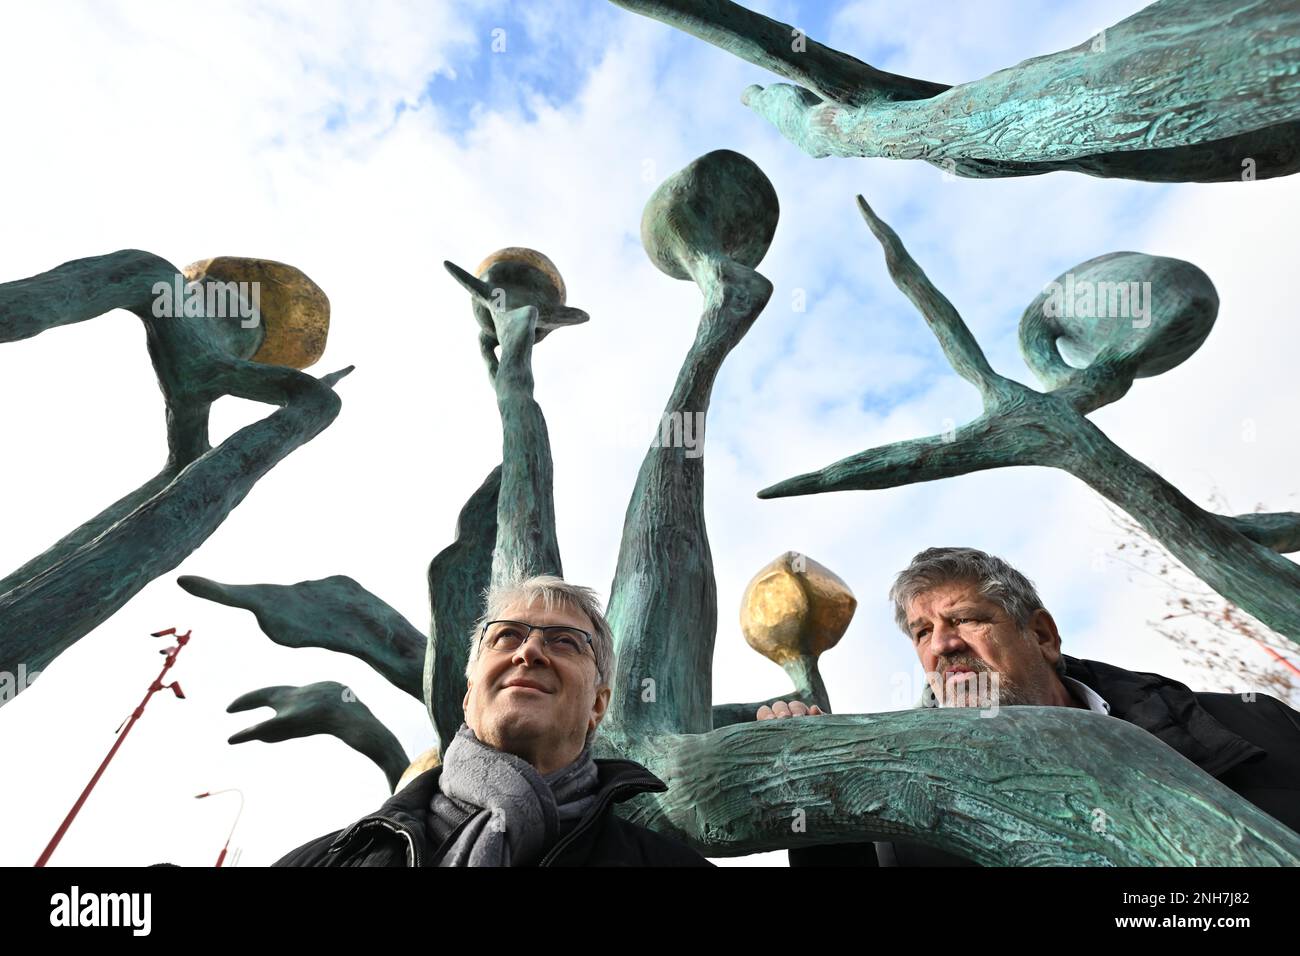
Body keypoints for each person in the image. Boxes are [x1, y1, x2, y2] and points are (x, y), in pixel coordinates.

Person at [757, 547, 1300, 865]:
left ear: (1041, 634)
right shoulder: (896, 812)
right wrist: (812, 791)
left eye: (966, 619)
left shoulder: (1254, 722)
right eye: (923, 632)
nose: (944, 645)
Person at [275, 573, 711, 866]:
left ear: (598, 705)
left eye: (564, 641)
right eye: (507, 635)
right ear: (468, 697)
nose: (529, 652)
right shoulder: (332, 858)